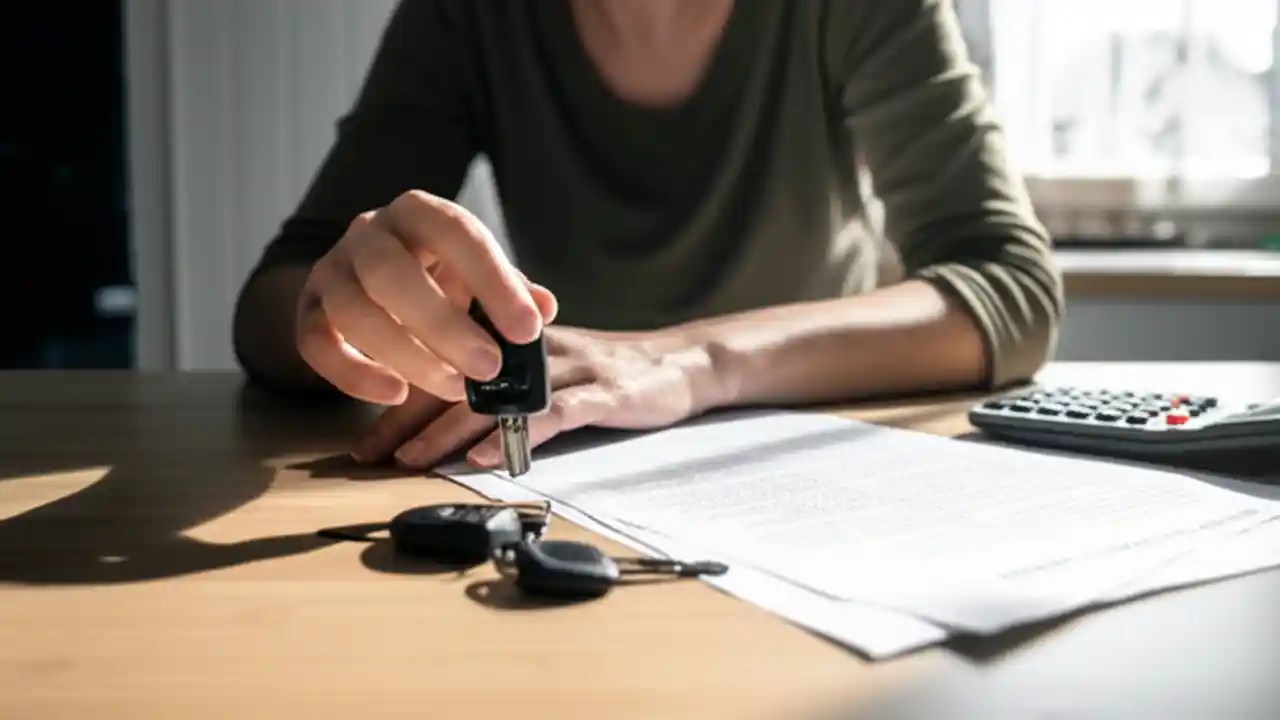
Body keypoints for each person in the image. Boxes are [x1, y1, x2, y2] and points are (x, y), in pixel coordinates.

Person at [232, 0, 1063, 470]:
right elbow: (277, 297)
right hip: (566, 468)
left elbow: (1008, 286)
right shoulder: (467, 17)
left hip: (822, 457)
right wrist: (336, 309)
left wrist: (690, 360)